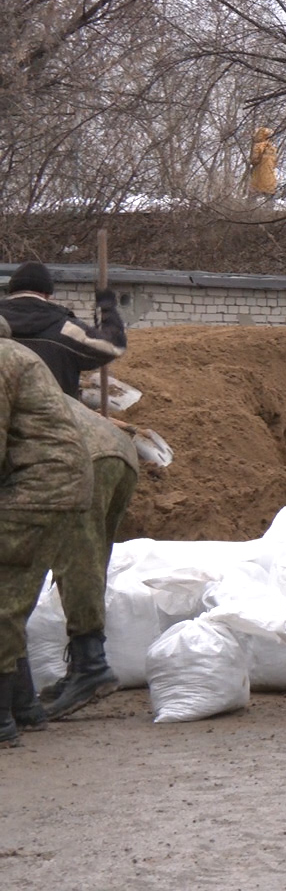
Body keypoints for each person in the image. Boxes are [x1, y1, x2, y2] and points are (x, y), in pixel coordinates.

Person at [0, 315, 92, 748]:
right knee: (13, 598)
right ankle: (25, 708)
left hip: (38, 489)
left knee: (3, 600)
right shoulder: (16, 354)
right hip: (59, 485)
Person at [34, 395, 137, 721]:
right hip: (114, 449)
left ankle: (91, 665)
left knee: (76, 559)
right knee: (88, 559)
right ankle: (84, 664)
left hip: (83, 457)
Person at [0, 261, 126, 398]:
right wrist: (106, 308)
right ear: (47, 294)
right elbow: (113, 346)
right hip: (53, 415)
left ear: (11, 290)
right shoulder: (65, 329)